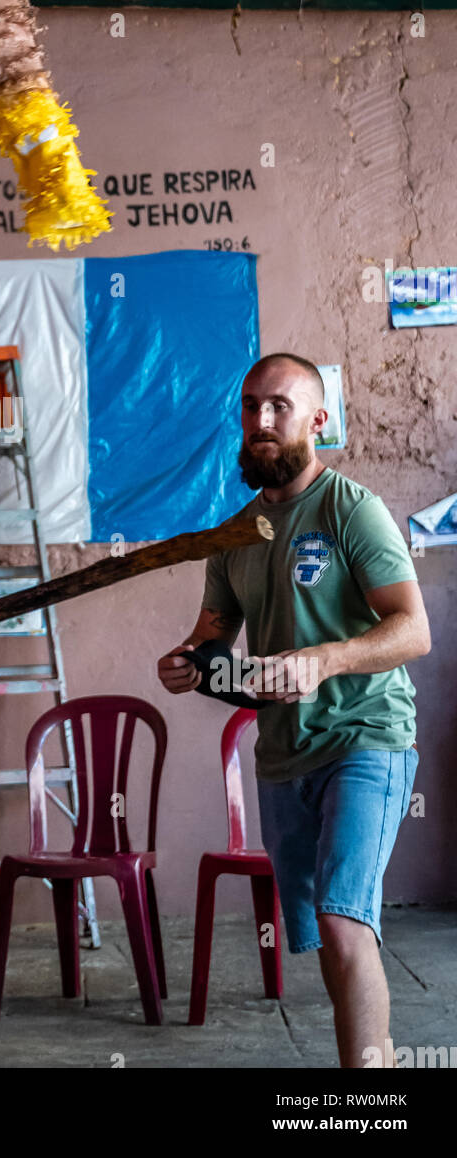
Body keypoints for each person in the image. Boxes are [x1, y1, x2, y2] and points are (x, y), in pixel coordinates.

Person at [157, 353, 431, 1070]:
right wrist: (189, 664)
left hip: (366, 738)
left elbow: (413, 629)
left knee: (345, 921)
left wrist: (326, 659)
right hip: (283, 758)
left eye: (279, 406)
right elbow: (213, 642)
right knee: (328, 939)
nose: (261, 421)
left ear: (318, 420)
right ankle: (378, 1062)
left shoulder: (350, 509)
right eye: (251, 407)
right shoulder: (235, 537)